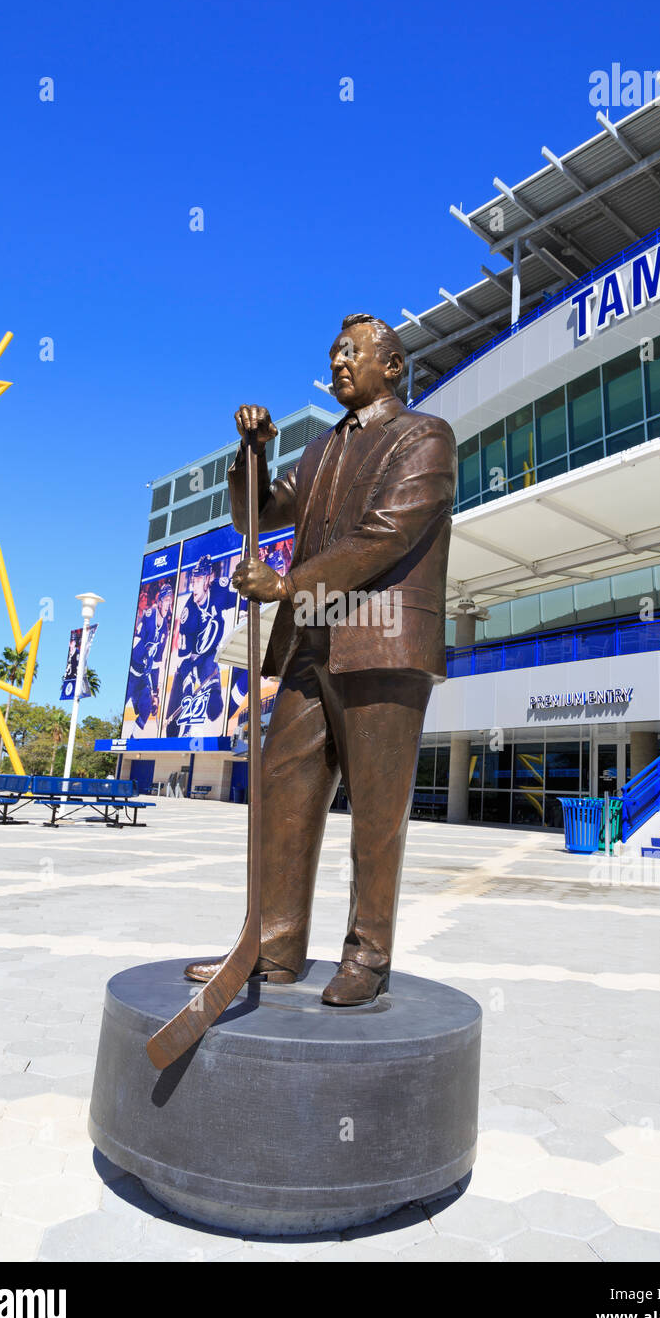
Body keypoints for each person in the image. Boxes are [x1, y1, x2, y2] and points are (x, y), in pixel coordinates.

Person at [185, 313, 456, 1005]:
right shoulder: (318, 451)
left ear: (391, 366)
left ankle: (369, 954)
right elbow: (255, 516)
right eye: (334, 352)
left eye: (353, 353)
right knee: (283, 787)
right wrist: (251, 455)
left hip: (382, 641)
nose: (338, 361)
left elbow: (387, 533)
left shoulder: (423, 436)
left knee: (376, 806)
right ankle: (272, 947)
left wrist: (289, 585)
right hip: (313, 640)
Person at [164, 557, 235, 737]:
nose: (193, 586)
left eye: (197, 581)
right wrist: (189, 681)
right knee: (171, 728)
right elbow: (184, 657)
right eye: (192, 581)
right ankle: (182, 729)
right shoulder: (189, 612)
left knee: (215, 709)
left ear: (208, 579)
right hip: (189, 662)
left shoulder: (220, 589)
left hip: (210, 656)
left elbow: (243, 599)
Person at [125, 583, 173, 731]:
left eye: (170, 601)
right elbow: (135, 644)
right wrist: (144, 656)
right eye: (166, 600)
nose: (168, 604)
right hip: (132, 675)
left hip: (143, 679)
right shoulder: (149, 615)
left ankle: (131, 743)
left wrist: (155, 694)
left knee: (146, 710)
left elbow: (157, 662)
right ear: (159, 601)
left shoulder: (165, 628)